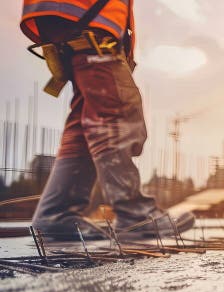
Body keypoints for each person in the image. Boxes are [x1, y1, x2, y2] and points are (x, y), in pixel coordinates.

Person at [21, 0, 194, 241]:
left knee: (86, 118)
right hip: (87, 19)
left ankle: (57, 213)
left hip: (73, 18)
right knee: (117, 111)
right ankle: (135, 215)